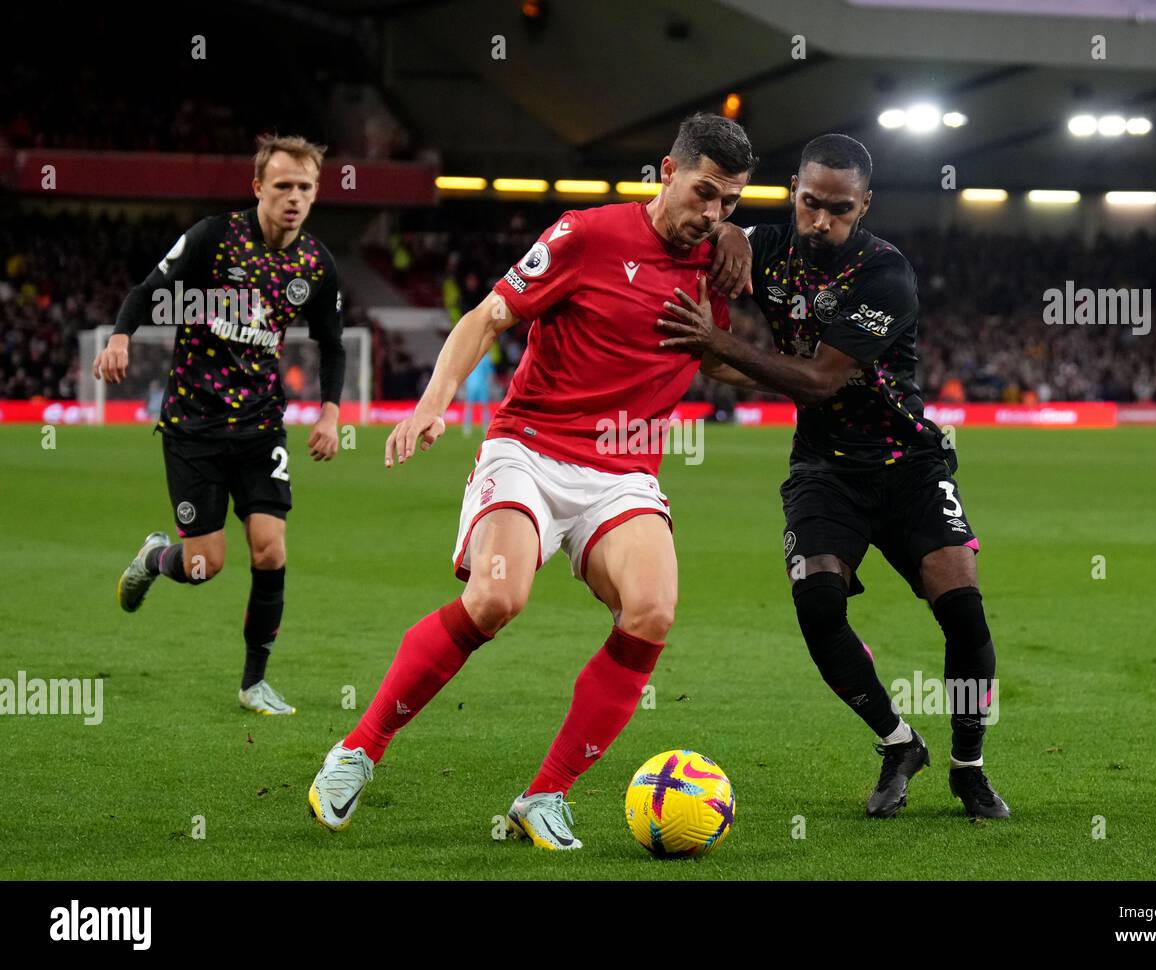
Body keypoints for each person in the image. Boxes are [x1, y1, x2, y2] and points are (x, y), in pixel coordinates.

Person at [307, 113, 758, 848]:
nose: (712, 214)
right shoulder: (587, 235)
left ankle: (545, 796)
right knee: (496, 597)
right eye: (704, 193)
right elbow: (488, 317)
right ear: (668, 172)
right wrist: (432, 405)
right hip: (531, 450)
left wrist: (807, 376)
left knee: (652, 611)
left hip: (624, 472)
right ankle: (358, 750)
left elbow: (715, 351)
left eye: (730, 203)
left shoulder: (719, 261)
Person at [657, 133, 1010, 819]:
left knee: (963, 611)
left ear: (865, 205)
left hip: (907, 463)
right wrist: (728, 231)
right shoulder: (766, 246)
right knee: (818, 605)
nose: (821, 221)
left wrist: (715, 341)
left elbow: (820, 381)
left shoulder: (886, 275)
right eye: (811, 204)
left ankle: (969, 766)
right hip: (825, 468)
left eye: (840, 210)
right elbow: (705, 228)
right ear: (793, 191)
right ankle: (899, 743)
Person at [98, 134, 345, 716]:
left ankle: (254, 682)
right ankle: (155, 558)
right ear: (258, 187)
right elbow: (149, 290)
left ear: (316, 193)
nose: (294, 197)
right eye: (282, 185)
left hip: (260, 426)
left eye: (304, 187)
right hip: (194, 426)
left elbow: (332, 344)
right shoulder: (214, 237)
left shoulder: (315, 264)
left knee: (270, 550)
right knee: (203, 565)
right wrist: (120, 336)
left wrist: (331, 412)